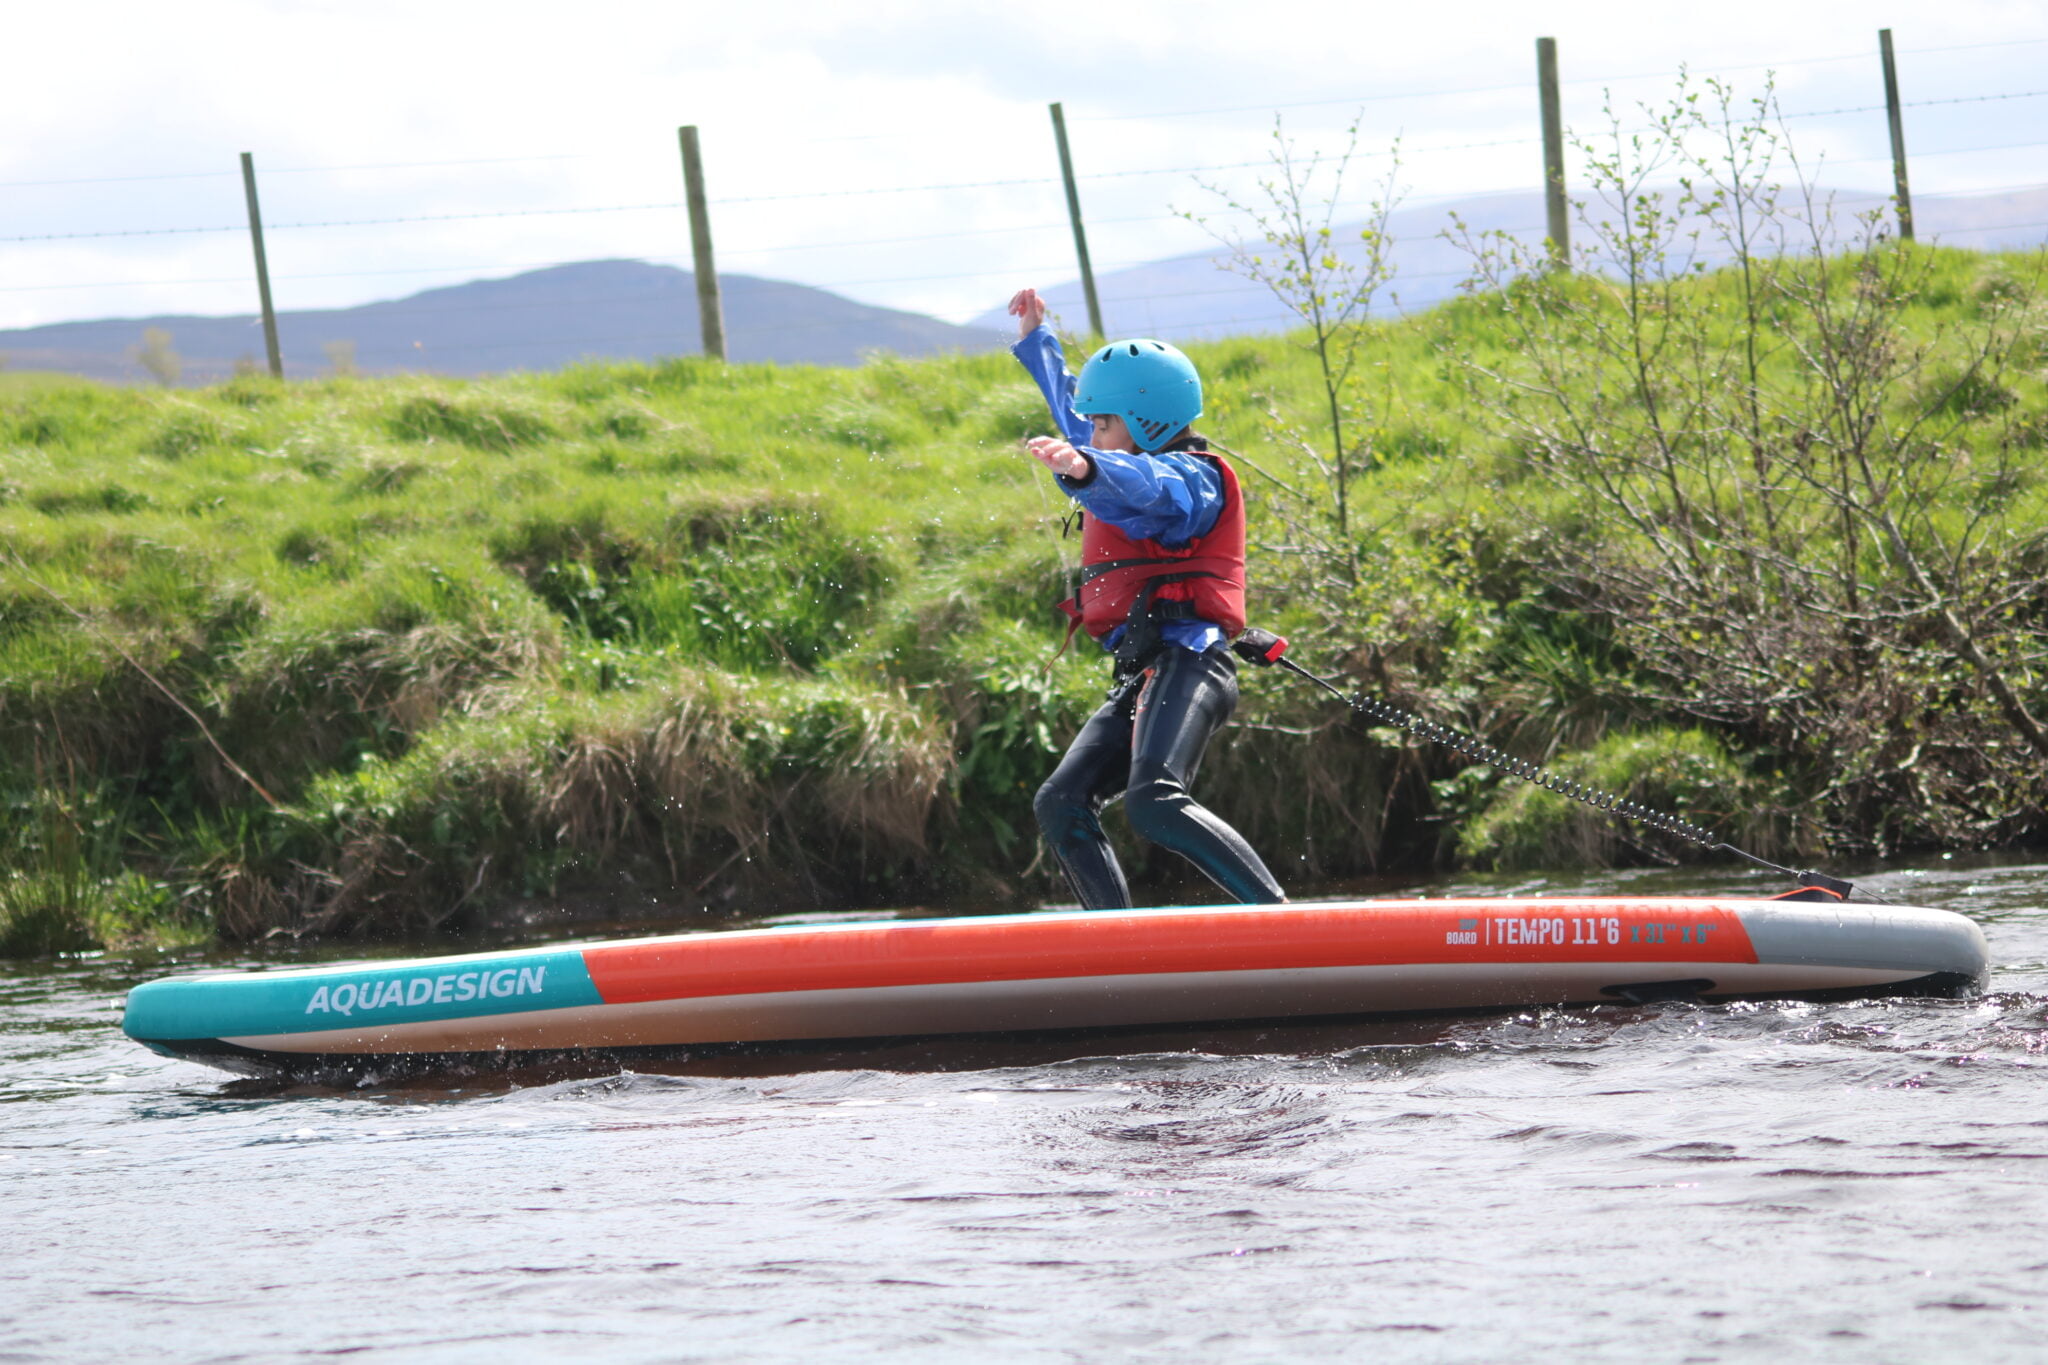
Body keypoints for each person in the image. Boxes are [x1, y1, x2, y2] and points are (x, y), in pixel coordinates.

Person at [1007, 286, 1285, 910]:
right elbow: (1084, 424)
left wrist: (1084, 468)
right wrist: (1035, 341)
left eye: (1103, 425)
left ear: (1145, 423)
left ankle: (1278, 920)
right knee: (1060, 802)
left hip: (1193, 663)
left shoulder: (1191, 479)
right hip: (1146, 671)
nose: (1090, 434)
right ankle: (1116, 944)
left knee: (1154, 802)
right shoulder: (1118, 446)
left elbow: (1146, 485)